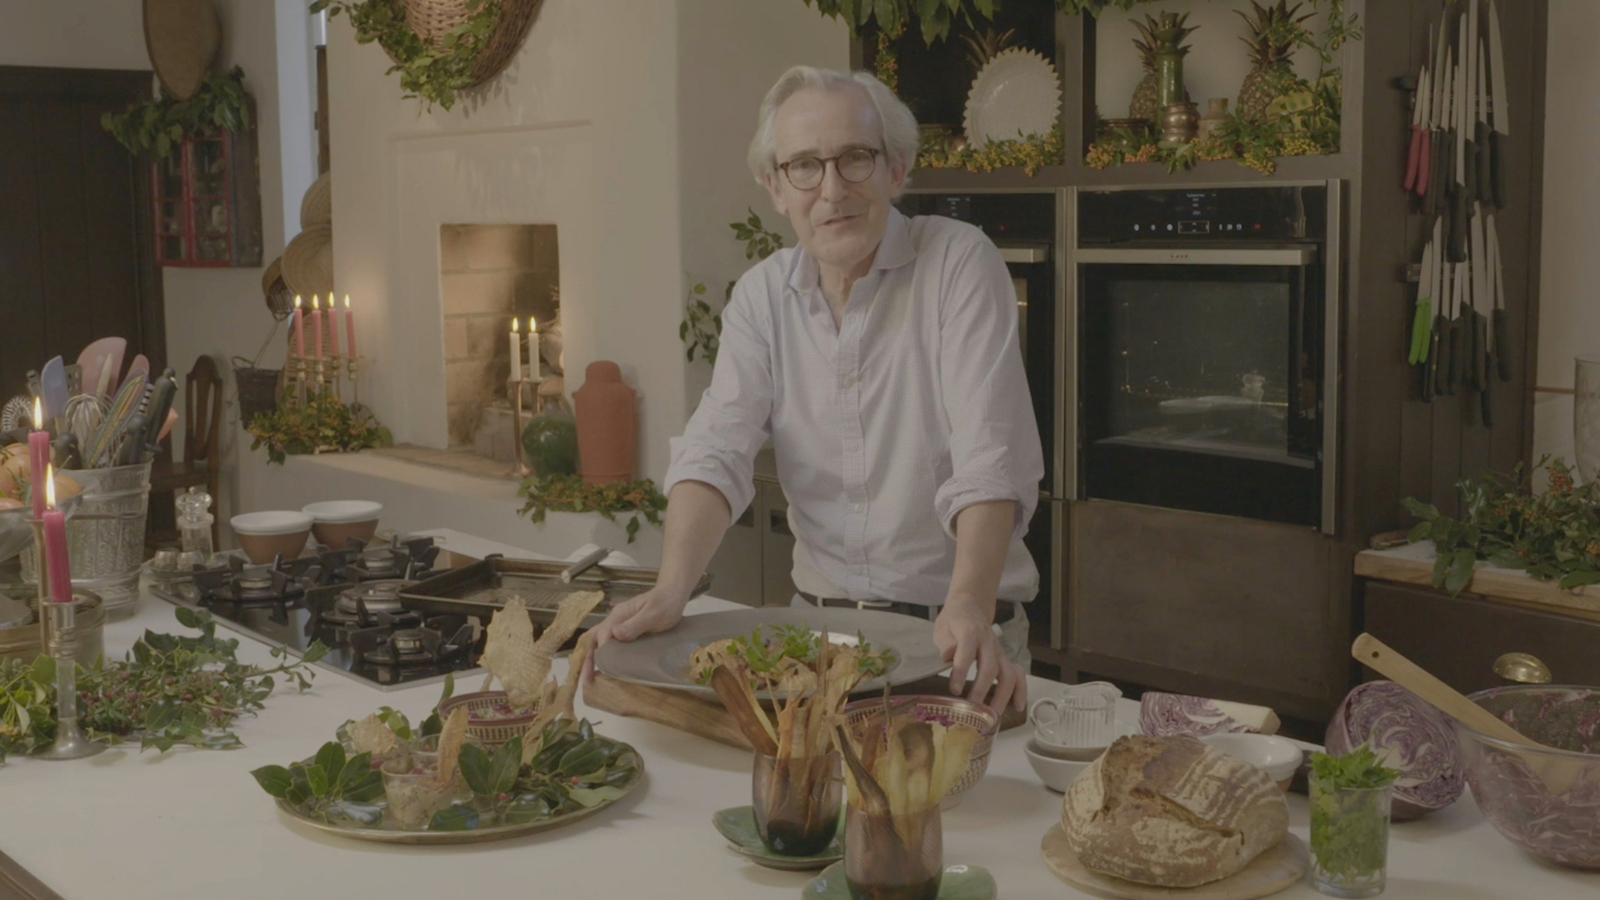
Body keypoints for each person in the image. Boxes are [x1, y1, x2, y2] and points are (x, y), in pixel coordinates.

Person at [589, 66, 1042, 712]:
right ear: (776, 187)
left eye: (855, 158)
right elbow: (715, 450)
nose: (832, 190)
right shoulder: (761, 298)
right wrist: (671, 589)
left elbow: (990, 459)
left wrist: (968, 602)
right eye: (804, 165)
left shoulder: (958, 263)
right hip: (813, 645)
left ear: (895, 169)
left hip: (955, 641)